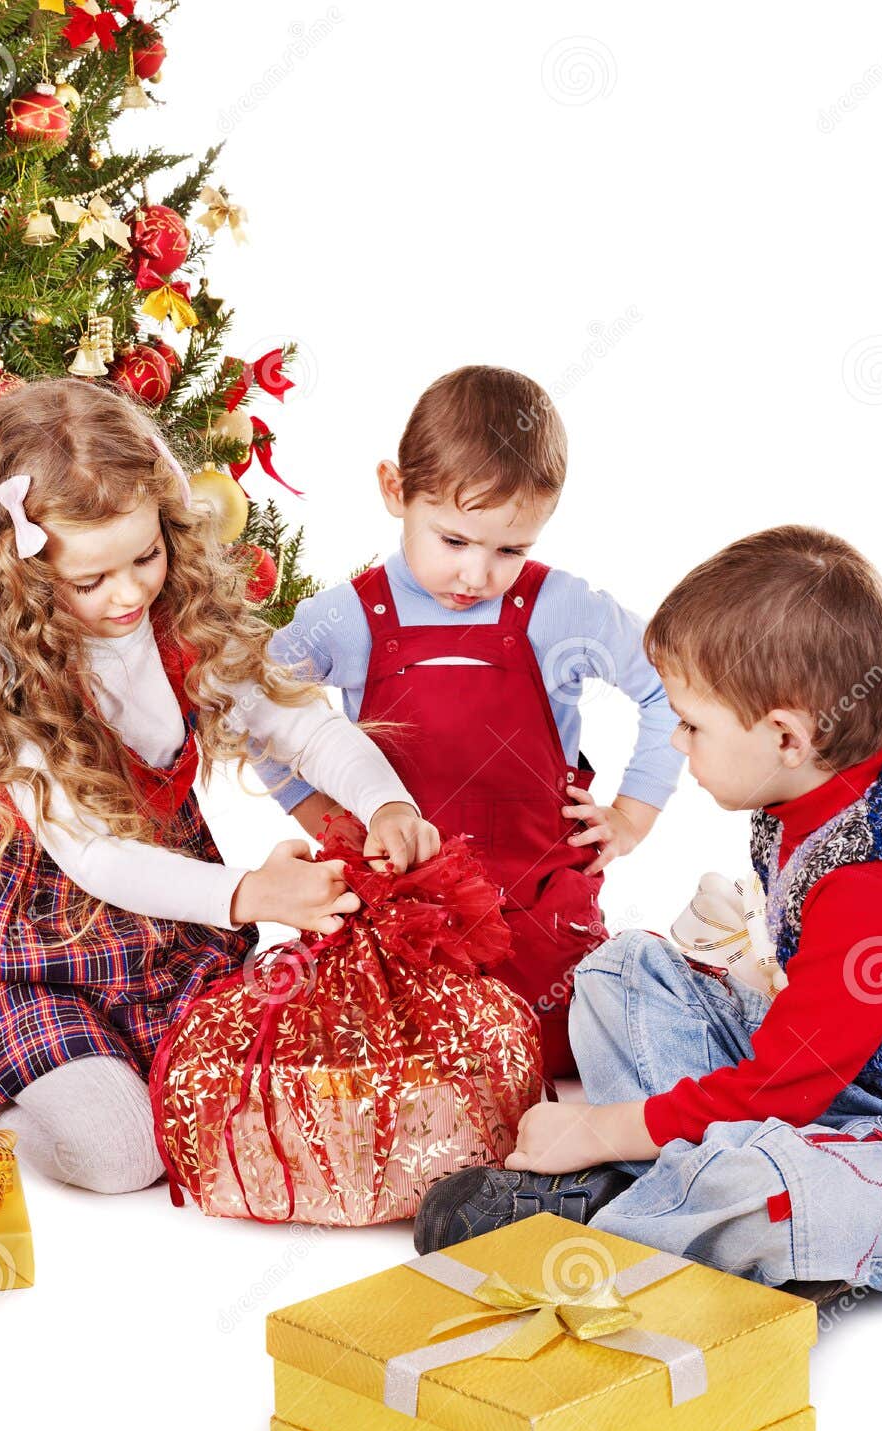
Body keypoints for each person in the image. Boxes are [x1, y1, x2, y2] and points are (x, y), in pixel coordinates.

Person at [415, 526, 882, 1299]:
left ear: (786, 735)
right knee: (619, 971)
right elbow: (799, 1038)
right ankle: (686, 1200)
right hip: (836, 1087)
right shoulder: (807, 791)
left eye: (690, 724)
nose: (677, 742)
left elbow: (781, 1087)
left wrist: (599, 1125)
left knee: (774, 1189)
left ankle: (621, 1220)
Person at [0, 378, 438, 1194]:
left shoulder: (177, 622)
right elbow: (100, 860)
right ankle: (1, 1098)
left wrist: (385, 801)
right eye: (88, 580)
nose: (128, 594)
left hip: (160, 936)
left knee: (248, 1077)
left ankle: (118, 1063)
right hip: (27, 951)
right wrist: (252, 893)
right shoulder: (2, 683)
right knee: (125, 1157)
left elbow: (301, 726)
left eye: (145, 556)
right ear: (21, 575)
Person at [250, 365, 683, 1074]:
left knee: (573, 1057)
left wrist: (633, 813)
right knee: (391, 1061)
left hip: (536, 901)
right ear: (396, 491)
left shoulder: (560, 610)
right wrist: (320, 813)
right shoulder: (346, 618)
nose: (476, 576)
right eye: (453, 541)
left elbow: (669, 685)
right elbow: (252, 708)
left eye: (510, 549)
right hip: (405, 907)